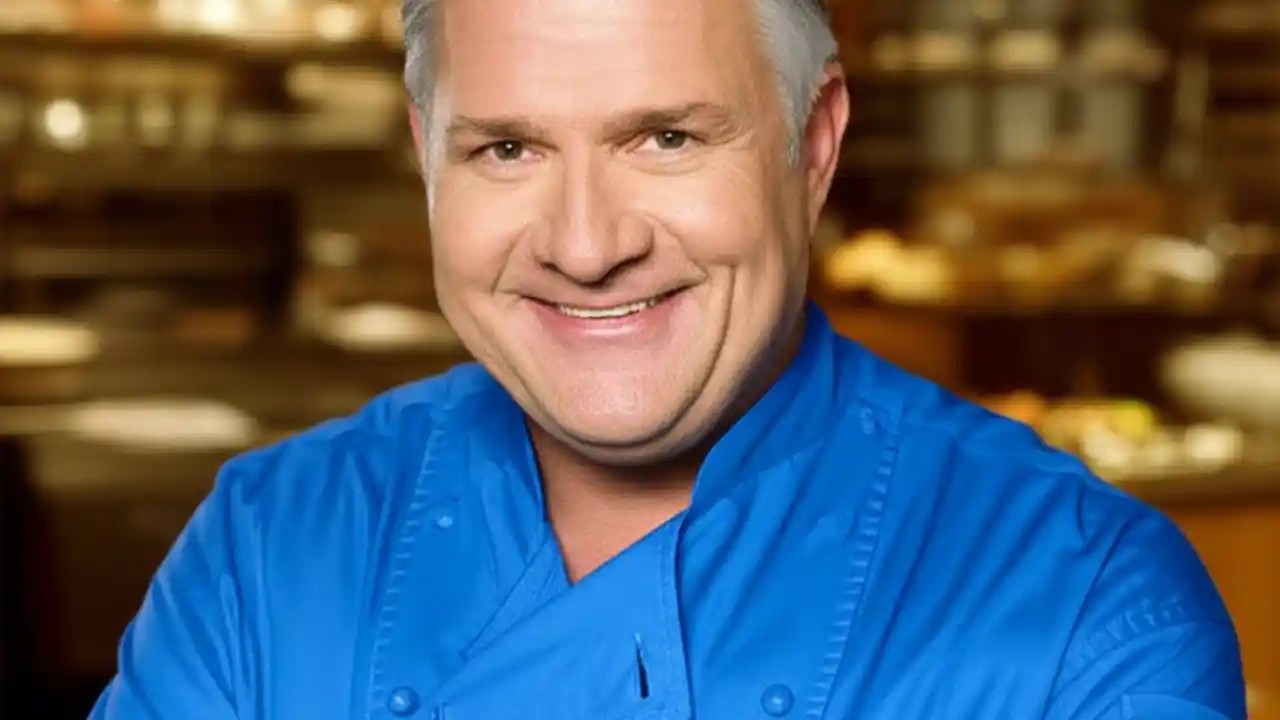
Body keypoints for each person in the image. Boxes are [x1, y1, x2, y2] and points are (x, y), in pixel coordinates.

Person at [90, 0, 1245, 718]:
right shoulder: (270, 544)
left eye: (667, 137)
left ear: (813, 143)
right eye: (505, 148)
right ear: (424, 159)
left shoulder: (1085, 606)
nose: (586, 246)